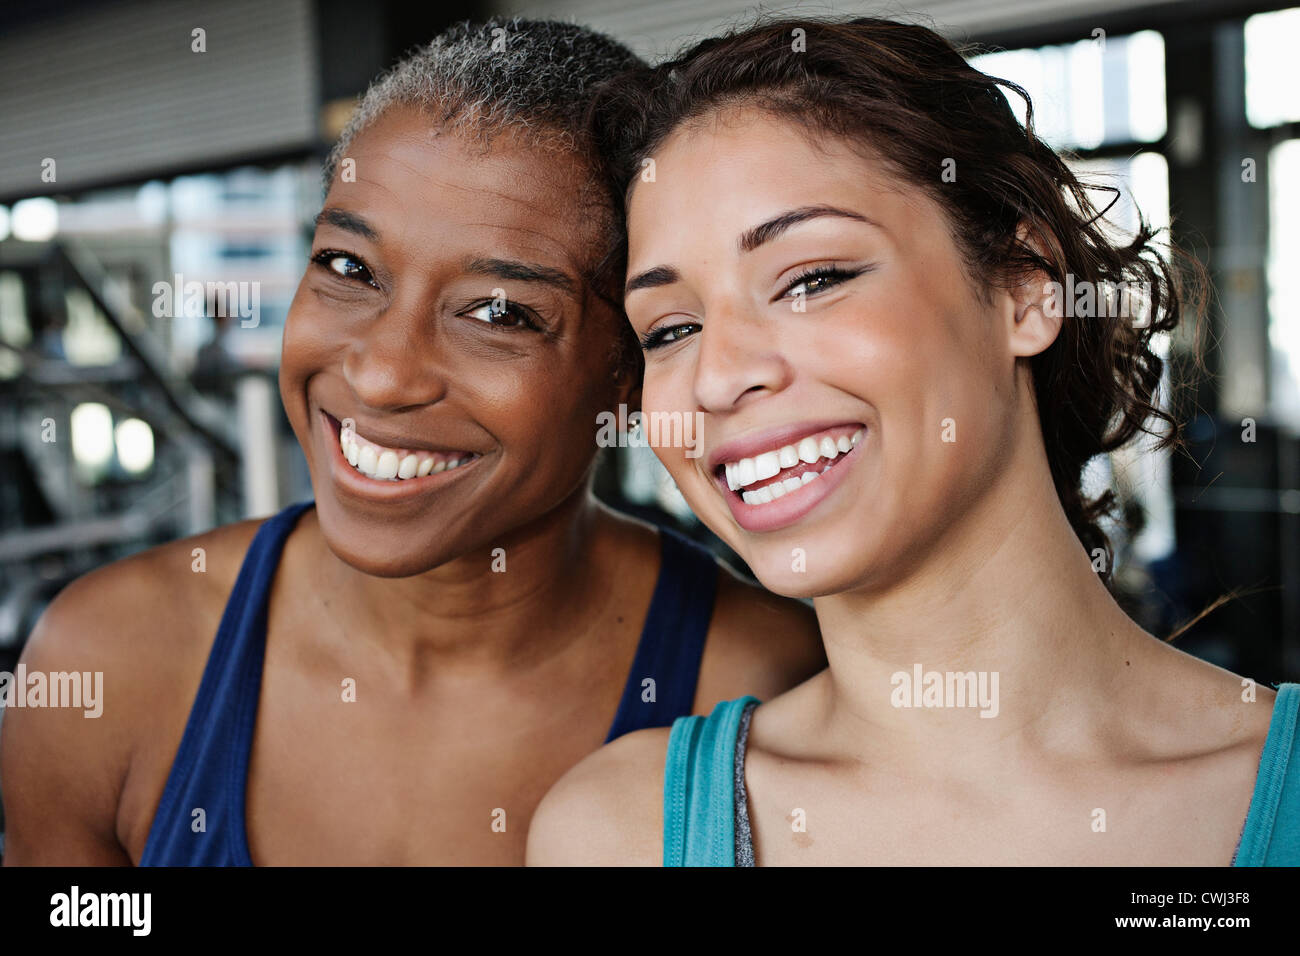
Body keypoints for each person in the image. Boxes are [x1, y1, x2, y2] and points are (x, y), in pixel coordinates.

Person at [0, 18, 823, 867]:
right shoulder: (107, 664)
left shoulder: (762, 686)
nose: (383, 375)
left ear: (632, 366)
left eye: (499, 312)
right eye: (349, 268)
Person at [527, 16, 1299, 866]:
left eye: (813, 279)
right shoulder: (618, 834)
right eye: (670, 329)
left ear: (1025, 289)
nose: (716, 378)